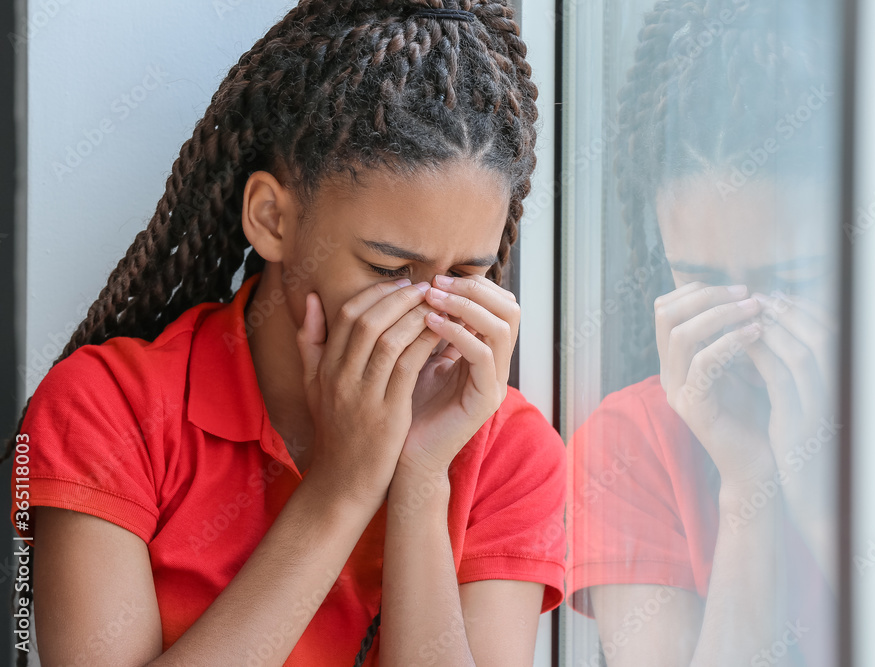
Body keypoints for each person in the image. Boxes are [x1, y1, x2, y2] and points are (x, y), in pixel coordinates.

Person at [3, 2, 566, 665]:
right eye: (390, 269)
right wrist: (342, 487)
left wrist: (419, 476)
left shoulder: (512, 452)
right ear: (271, 218)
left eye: (467, 273)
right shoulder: (105, 408)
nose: (430, 313)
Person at [566, 0, 839, 664]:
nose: (748, 325)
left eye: (793, 278)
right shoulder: (631, 445)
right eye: (702, 280)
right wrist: (751, 483)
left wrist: (824, 500)